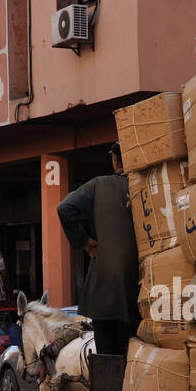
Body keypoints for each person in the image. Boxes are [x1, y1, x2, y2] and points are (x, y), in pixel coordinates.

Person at [56, 142, 139, 355]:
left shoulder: (98, 185)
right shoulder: (145, 184)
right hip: (141, 292)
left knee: (107, 359)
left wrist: (84, 242)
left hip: (105, 294)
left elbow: (65, 208)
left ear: (114, 160)